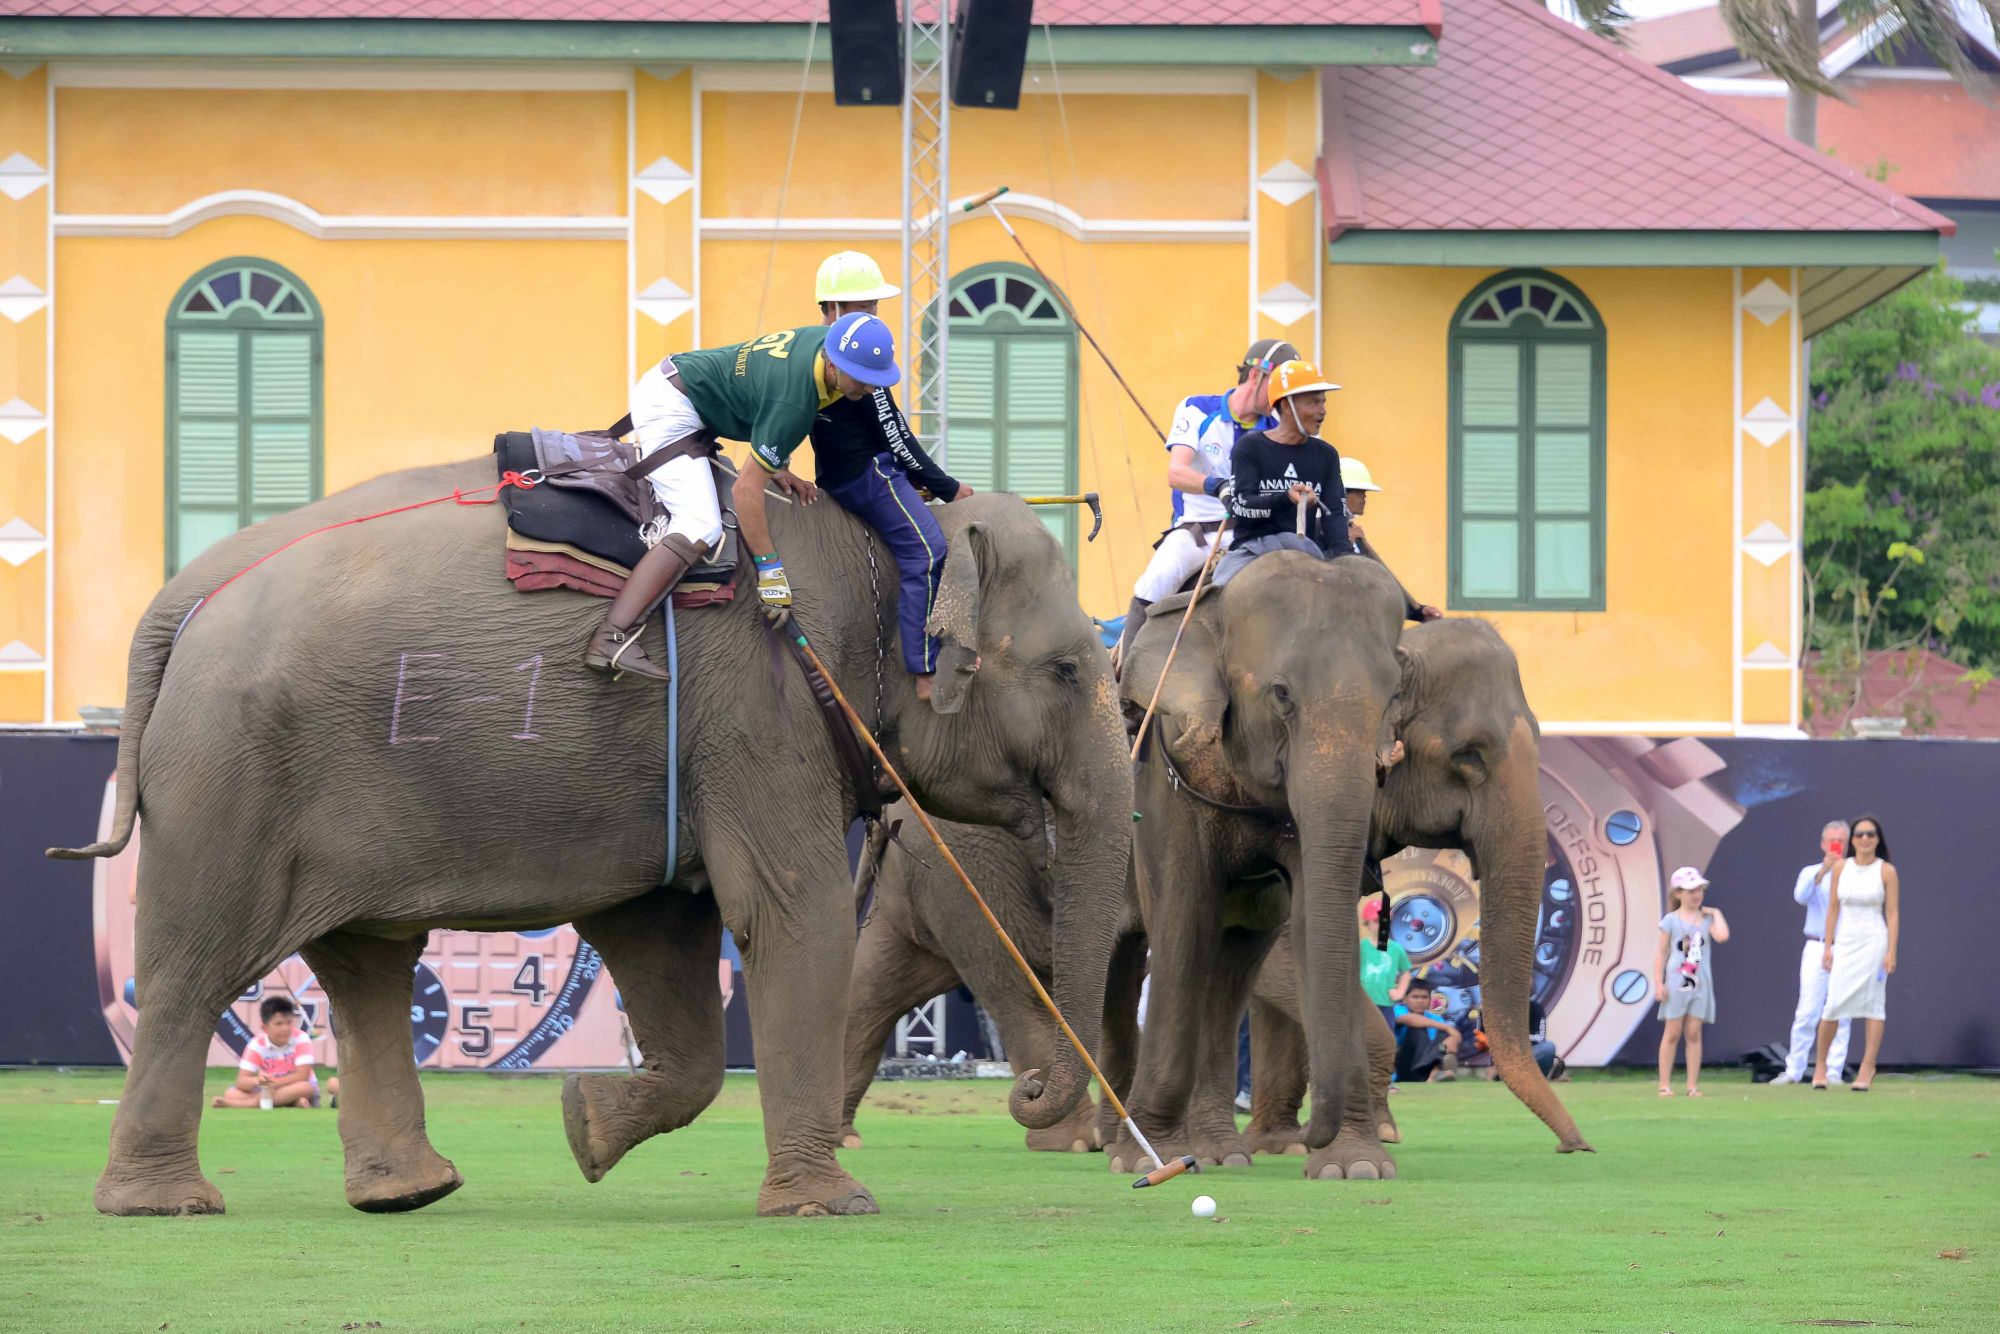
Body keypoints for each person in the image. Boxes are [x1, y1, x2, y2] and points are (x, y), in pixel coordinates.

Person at [586, 310, 900, 682]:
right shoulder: (796, 404)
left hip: (682, 383)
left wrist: (776, 461)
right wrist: (771, 572)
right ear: (832, 364)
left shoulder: (826, 341)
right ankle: (613, 636)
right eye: (863, 379)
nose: (870, 389)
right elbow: (747, 490)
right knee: (701, 525)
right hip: (673, 408)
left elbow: (762, 389)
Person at [805, 251, 975, 700]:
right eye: (863, 306)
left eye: (874, 307)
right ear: (832, 310)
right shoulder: (864, 358)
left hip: (833, 476)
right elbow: (897, 441)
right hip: (867, 477)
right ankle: (923, 669)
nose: (872, 316)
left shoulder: (811, 351)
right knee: (927, 552)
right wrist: (950, 488)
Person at [1114, 338, 1295, 662]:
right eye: (1277, 387)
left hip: (1250, 535)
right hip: (1197, 532)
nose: (1282, 400)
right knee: (1155, 580)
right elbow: (1177, 473)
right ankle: (1125, 679)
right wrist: (1217, 485)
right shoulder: (1198, 409)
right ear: (1255, 376)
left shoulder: (1280, 429)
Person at [1211, 358, 1354, 588]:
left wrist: (1345, 560)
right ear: (1287, 405)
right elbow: (1241, 508)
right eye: (1314, 403)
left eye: (1323, 402)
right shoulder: (1250, 447)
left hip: (1305, 550)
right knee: (1216, 602)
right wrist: (1286, 498)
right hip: (1251, 552)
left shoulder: (1327, 455)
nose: (1322, 411)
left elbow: (1334, 514)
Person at [1814, 815, 1899, 1092]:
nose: (1865, 839)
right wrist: (1828, 946)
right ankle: (1821, 1066)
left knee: (1874, 1004)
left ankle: (1867, 1067)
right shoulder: (1841, 868)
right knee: (1833, 1004)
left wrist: (1891, 952)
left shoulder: (1886, 871)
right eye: (1860, 834)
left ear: (1877, 839)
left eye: (1870, 834)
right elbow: (1833, 909)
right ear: (1852, 839)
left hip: (1874, 940)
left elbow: (1893, 913)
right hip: (1847, 940)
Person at [1770, 821, 1853, 1085]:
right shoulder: (1810, 872)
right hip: (1816, 944)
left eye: (1840, 841)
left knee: (1841, 1010)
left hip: (1847, 945)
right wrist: (1823, 872)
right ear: (1822, 844)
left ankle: (1833, 1071)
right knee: (1807, 1010)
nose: (1835, 846)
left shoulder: (1855, 872)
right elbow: (1800, 897)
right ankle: (1794, 1070)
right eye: (1831, 841)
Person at [1653, 866, 1730, 1097]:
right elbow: (1661, 952)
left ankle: (1692, 1085)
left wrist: (1715, 913)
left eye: (1699, 890)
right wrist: (1659, 982)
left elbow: (1722, 936)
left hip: (1701, 982)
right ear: (1678, 894)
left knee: (1694, 1032)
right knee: (1673, 1031)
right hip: (1677, 981)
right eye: (1690, 891)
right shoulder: (1670, 920)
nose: (1696, 895)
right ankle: (1664, 1084)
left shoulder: (1706, 919)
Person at [1341, 457, 1442, 623]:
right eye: (1358, 492)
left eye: (1365, 493)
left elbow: (1383, 582)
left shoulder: (1355, 533)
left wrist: (1419, 612)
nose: (1364, 498)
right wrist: (1345, 544)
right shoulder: (1317, 531)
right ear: (1340, 494)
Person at [213, 996, 335, 1109]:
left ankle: (245, 1104)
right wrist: (258, 1081)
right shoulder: (256, 1044)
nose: (285, 1028)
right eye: (279, 1024)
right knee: (231, 1093)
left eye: (288, 1022)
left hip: (295, 1087)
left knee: (306, 1088)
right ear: (265, 1027)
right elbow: (241, 1082)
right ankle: (292, 1102)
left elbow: (302, 1076)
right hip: (268, 1089)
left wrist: (272, 1085)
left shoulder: (301, 1038)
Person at [1359, 895, 1413, 1037]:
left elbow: (1406, 973)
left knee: (1386, 1039)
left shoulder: (1396, 949)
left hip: (1386, 1005)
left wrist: (1400, 992)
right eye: (1377, 921)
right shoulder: (1361, 947)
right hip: (1363, 1005)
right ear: (1368, 923)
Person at [1392, 977, 1461, 1083]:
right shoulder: (1398, 1010)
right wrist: (1447, 1028)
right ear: (1405, 999)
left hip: (1428, 1063)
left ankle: (1434, 1073)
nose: (1420, 1001)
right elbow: (1410, 1019)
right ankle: (1435, 1071)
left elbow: (1456, 1036)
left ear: (1430, 1000)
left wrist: (1450, 1042)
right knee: (1417, 1029)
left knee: (1445, 1038)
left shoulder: (1435, 1018)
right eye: (1415, 997)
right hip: (1403, 1065)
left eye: (1424, 997)